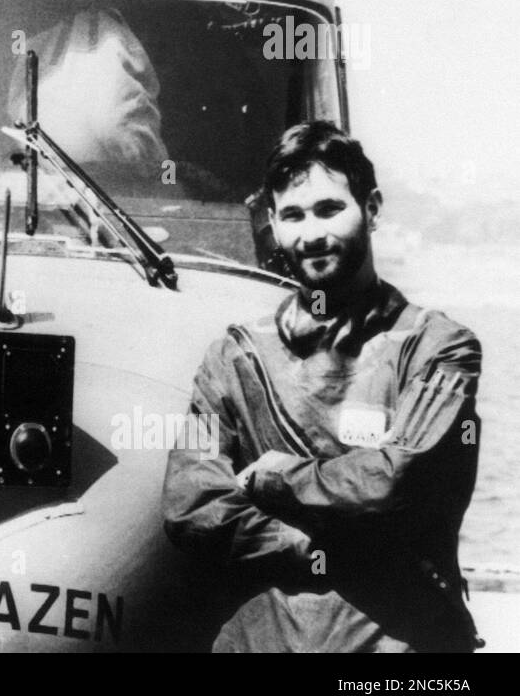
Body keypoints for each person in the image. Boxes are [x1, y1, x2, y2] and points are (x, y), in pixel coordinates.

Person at [162, 120, 481, 652]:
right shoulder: (234, 357)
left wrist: (276, 479)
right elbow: (192, 505)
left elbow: (394, 480)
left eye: (329, 209)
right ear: (272, 222)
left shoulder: (438, 347)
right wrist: (317, 551)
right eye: (293, 215)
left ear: (371, 209)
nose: (310, 234)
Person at [6, 4, 169, 166]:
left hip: (117, 176)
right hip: (49, 176)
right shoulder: (35, 51)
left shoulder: (111, 40)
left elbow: (119, 132)